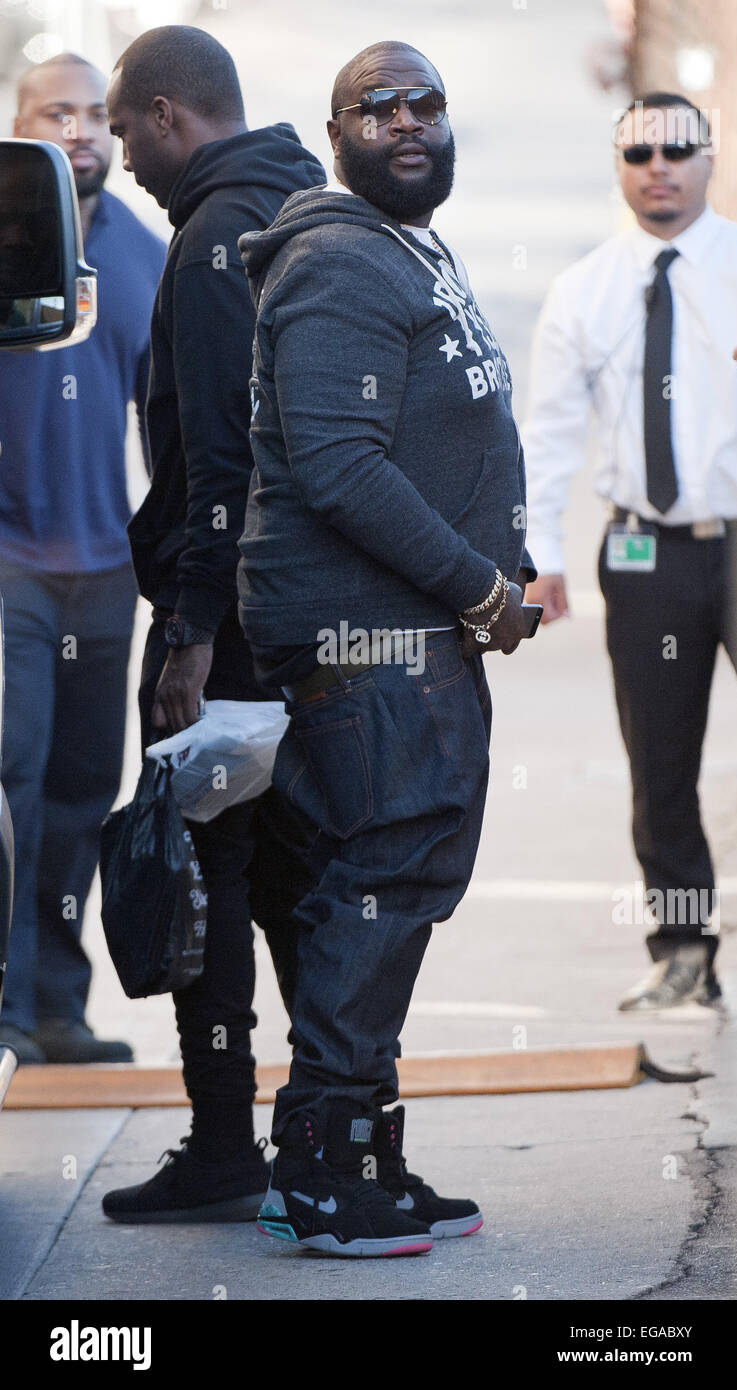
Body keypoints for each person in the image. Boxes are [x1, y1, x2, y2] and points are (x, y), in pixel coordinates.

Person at [237, 39, 536, 1257]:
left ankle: (360, 1148)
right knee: (381, 881)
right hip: (372, 635)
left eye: (425, 102)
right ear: (338, 128)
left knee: (386, 884)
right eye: (378, 107)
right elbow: (338, 464)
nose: (407, 121)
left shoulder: (407, 245)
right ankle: (317, 1170)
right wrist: (475, 589)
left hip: (405, 630)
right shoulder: (337, 262)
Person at [100, 26, 327, 1224]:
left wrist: (187, 631)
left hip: (224, 621)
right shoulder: (309, 202)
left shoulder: (205, 245)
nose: (126, 157)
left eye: (130, 129)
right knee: (293, 873)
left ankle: (226, 1142)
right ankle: (330, 1122)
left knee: (206, 871)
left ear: (170, 115)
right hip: (306, 618)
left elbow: (221, 456)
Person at [523, 93, 737, 1011]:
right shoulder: (586, 289)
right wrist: (540, 552)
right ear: (621, 166)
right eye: (640, 151)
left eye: (677, 150)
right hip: (646, 552)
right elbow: (549, 433)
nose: (659, 166)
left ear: (708, 158)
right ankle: (684, 951)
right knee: (660, 764)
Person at [0, 55, 165, 1065]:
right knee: (10, 785)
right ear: (17, 125)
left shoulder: (147, 254)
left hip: (104, 571)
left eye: (95, 115)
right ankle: (7, 1005)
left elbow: (171, 429)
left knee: (80, 794)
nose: (79, 130)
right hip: (7, 564)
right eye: (54, 112)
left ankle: (57, 1004)